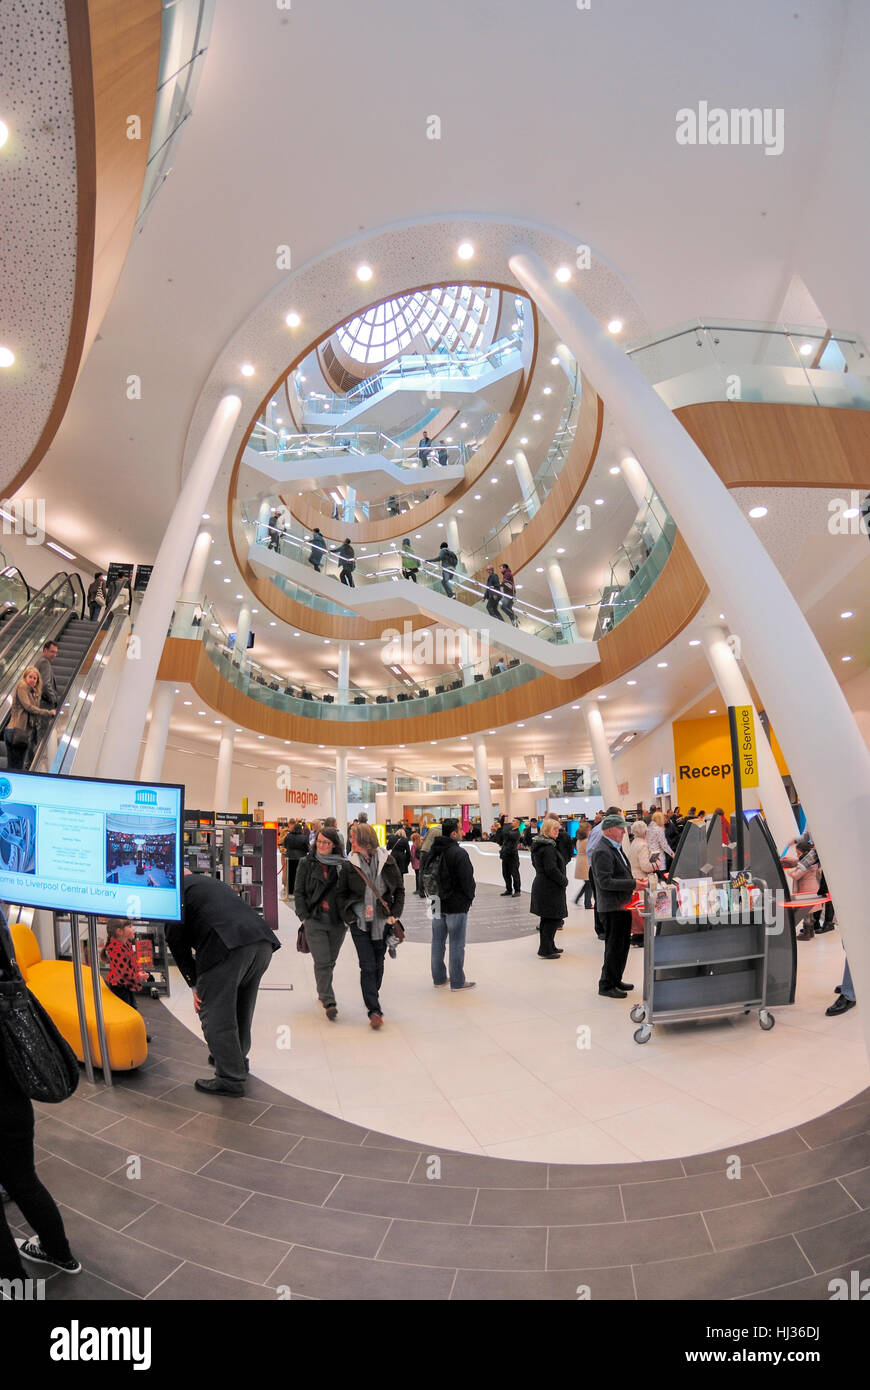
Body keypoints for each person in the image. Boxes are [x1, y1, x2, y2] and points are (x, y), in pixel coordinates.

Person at [0, 913, 82, 1282]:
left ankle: (12, 1285)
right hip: (13, 1101)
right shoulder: (9, 981)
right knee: (23, 1179)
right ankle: (58, 1252)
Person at [166, 871, 280, 1094]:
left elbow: (176, 941)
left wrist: (194, 983)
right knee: (241, 1008)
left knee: (215, 1013)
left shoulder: (175, 893)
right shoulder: (210, 883)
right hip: (261, 943)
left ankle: (230, 1077)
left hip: (227, 947)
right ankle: (237, 1059)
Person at [336, 822, 404, 1028]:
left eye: (353, 838)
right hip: (359, 923)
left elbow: (399, 890)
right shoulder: (350, 865)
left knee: (378, 963)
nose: (351, 841)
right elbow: (341, 894)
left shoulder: (387, 861)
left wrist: (395, 914)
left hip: (383, 922)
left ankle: (371, 994)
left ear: (365, 840)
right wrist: (349, 917)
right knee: (367, 966)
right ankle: (374, 1010)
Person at [590, 814, 647, 997]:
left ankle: (616, 979)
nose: (624, 831)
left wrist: (633, 880)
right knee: (614, 947)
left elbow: (620, 874)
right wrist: (633, 884)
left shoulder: (615, 848)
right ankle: (606, 985)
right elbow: (605, 882)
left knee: (622, 946)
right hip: (612, 907)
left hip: (621, 905)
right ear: (608, 830)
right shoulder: (602, 851)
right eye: (620, 828)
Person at [294, 827, 347, 1020]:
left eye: (327, 842)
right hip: (314, 919)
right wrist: (303, 916)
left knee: (330, 961)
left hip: (337, 921)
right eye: (320, 841)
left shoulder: (343, 865)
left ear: (334, 845)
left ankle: (322, 989)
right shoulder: (306, 863)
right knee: (323, 961)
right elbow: (298, 891)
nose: (322, 846)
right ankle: (329, 1001)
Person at [425, 817, 476, 990]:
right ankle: (457, 981)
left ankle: (438, 979)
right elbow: (467, 881)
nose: (463, 832)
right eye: (460, 829)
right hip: (455, 904)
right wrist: (468, 900)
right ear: (453, 833)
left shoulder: (433, 851)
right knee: (456, 943)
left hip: (435, 901)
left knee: (437, 941)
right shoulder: (458, 853)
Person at [530, 816, 569, 959]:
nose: (557, 831)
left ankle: (549, 945)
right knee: (552, 919)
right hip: (549, 887)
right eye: (555, 828)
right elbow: (551, 869)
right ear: (547, 829)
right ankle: (546, 949)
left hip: (544, 885)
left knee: (548, 918)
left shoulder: (541, 845)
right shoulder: (548, 848)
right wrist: (563, 880)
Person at [4, 667, 56, 770]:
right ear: (25, 677)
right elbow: (28, 707)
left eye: (35, 678)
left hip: (19, 732)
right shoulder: (22, 686)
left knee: (13, 766)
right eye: (30, 677)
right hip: (16, 731)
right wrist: (48, 712)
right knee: (16, 767)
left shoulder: (33, 692)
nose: (32, 680)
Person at [782, 834, 821, 941]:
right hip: (811, 889)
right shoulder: (810, 859)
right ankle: (810, 931)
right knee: (809, 913)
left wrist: (788, 871)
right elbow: (797, 862)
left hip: (807, 891)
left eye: (798, 853)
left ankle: (807, 933)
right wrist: (788, 861)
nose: (797, 855)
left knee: (806, 913)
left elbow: (796, 875)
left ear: (804, 853)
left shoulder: (807, 863)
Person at [626, 819, 657, 948]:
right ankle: (643, 936)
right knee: (644, 908)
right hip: (642, 879)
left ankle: (637, 935)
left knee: (636, 909)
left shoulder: (633, 843)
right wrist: (655, 864)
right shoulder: (643, 845)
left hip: (634, 877)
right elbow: (645, 866)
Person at [280, 820, 310, 898]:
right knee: (300, 875)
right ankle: (299, 891)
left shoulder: (288, 836)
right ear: (301, 829)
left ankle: (290, 891)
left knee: (290, 874)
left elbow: (285, 846)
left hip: (289, 857)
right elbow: (308, 849)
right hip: (301, 858)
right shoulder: (304, 837)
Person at [34, 640, 59, 714]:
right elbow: (45, 684)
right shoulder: (45, 662)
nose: (54, 655)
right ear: (45, 651)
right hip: (44, 704)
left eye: (55, 652)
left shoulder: (40, 661)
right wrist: (54, 700)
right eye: (52, 652)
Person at [498, 817, 521, 896]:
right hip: (506, 856)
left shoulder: (517, 833)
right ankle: (509, 889)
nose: (512, 822)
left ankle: (517, 890)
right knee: (505, 873)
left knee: (514, 873)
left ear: (518, 823)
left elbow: (506, 833)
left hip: (512, 856)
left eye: (514, 821)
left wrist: (503, 823)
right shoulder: (510, 831)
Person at [646, 809, 672, 877]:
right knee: (661, 878)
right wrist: (672, 854)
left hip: (650, 857)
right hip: (659, 857)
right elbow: (664, 845)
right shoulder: (659, 829)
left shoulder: (648, 828)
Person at [573, 822, 593, 907]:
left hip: (581, 863)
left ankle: (578, 899)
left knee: (588, 883)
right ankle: (587, 903)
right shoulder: (587, 841)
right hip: (586, 864)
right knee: (589, 884)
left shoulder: (579, 840)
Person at [410, 830, 424, 897]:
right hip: (420, 862)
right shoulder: (421, 844)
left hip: (415, 862)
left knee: (417, 876)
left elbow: (412, 855)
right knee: (420, 876)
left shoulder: (413, 846)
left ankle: (417, 889)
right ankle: (421, 889)